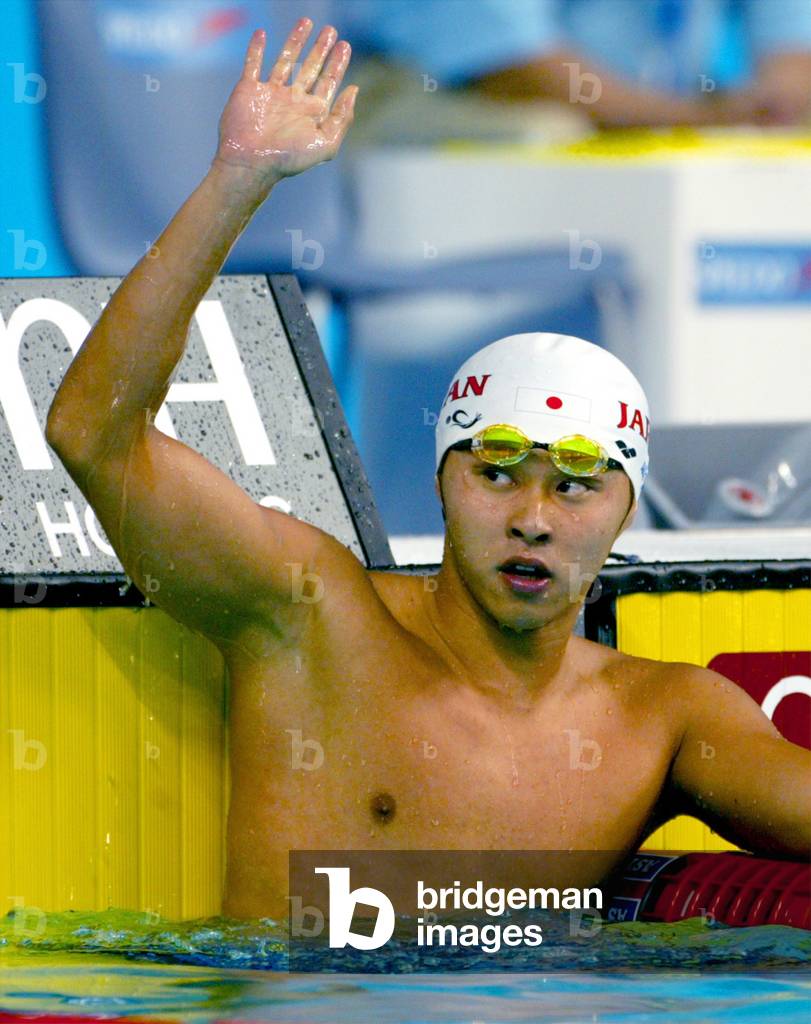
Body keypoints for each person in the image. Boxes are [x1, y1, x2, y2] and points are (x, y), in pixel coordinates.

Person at [45, 18, 810, 920]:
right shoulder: (312, 621)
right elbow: (94, 432)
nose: (533, 517)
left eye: (575, 485)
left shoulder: (663, 718)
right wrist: (235, 180)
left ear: (627, 506)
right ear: (441, 480)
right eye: (496, 474)